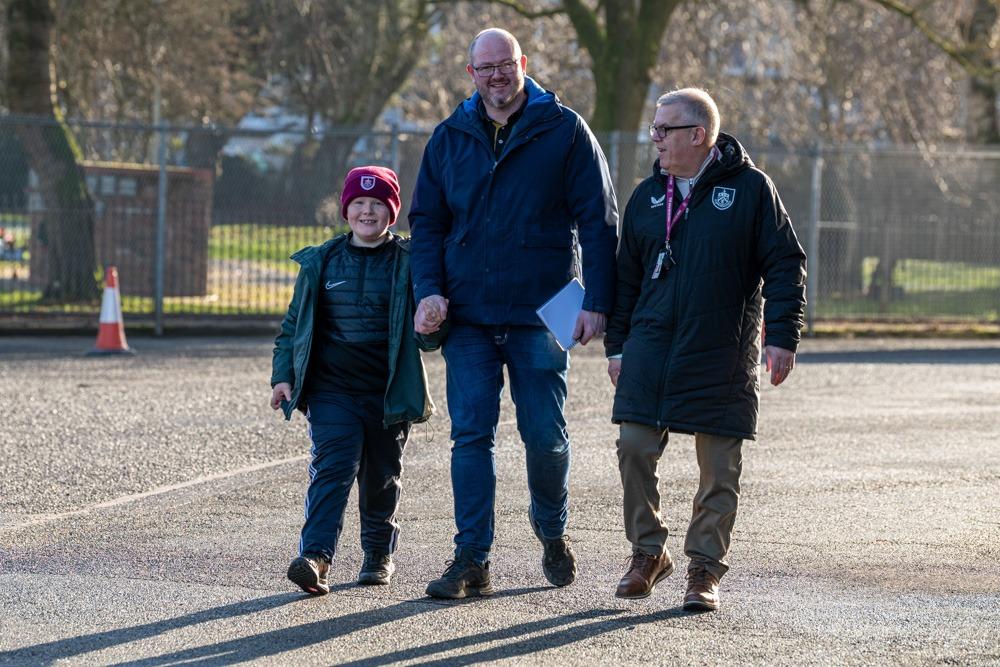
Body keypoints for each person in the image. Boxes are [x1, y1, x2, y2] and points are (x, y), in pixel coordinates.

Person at [409, 28, 619, 599]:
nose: (497, 75)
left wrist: (598, 301)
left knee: (544, 436)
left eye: (506, 64)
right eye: (486, 68)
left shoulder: (565, 130)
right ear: (471, 74)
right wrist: (427, 288)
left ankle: (552, 531)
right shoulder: (450, 137)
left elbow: (599, 221)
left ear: (523, 64)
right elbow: (427, 223)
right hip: (469, 315)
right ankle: (471, 558)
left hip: (541, 312)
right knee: (470, 437)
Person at [605, 88, 806, 611]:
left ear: (698, 135)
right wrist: (617, 346)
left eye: (664, 130)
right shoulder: (648, 196)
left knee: (718, 466)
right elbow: (625, 278)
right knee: (634, 446)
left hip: (720, 348)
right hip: (650, 345)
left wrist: (782, 336)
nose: (655, 140)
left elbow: (786, 264)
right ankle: (648, 553)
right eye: (653, 129)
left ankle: (704, 569)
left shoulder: (751, 190)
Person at [270, 166, 440, 595]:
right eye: (359, 204)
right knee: (333, 468)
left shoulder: (409, 263)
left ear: (392, 212)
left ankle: (378, 555)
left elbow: (428, 335)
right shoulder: (321, 261)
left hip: (387, 393)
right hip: (332, 392)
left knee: (382, 475)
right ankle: (316, 557)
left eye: (378, 204)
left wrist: (432, 325)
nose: (368, 211)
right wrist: (283, 376)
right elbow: (294, 327)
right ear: (346, 210)